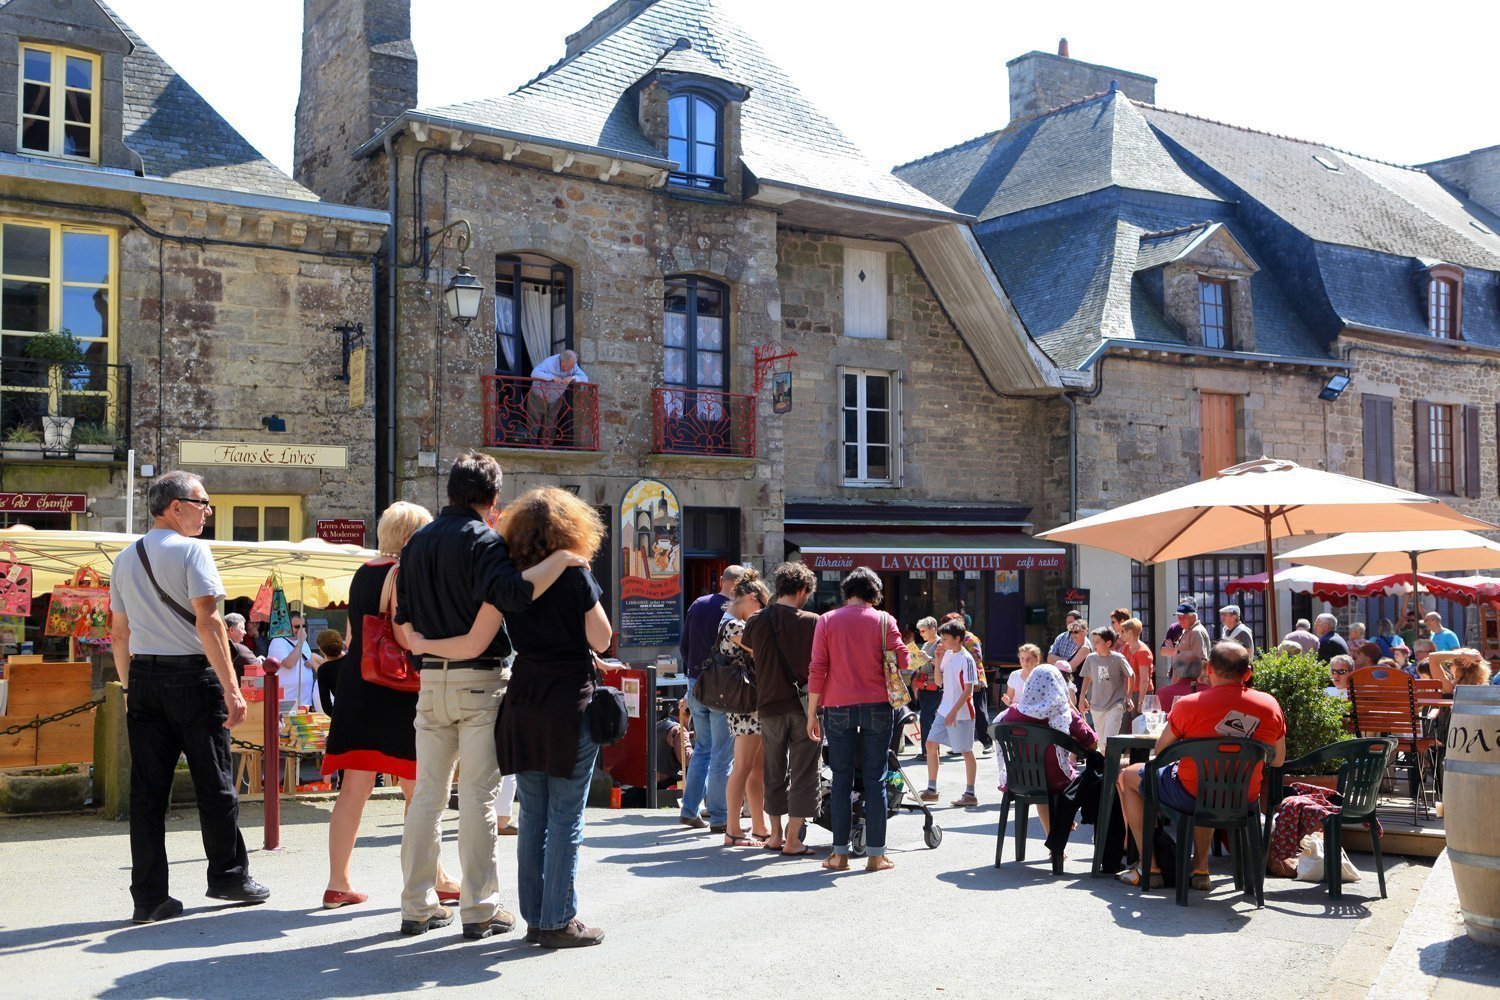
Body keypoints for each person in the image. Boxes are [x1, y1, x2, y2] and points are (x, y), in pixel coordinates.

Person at [394, 452, 581, 940]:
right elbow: (514, 595)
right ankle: (479, 909)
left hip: (430, 681)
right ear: (494, 498)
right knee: (477, 797)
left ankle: (417, 903)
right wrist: (561, 559)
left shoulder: (415, 544)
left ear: (450, 491)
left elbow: (402, 617)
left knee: (426, 798)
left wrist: (422, 644)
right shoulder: (485, 541)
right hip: (479, 679)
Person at [108, 471, 268, 923]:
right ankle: (227, 875)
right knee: (215, 781)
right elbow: (210, 622)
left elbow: (119, 633)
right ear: (174, 507)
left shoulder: (125, 557)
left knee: (147, 792)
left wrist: (126, 685)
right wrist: (232, 688)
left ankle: (149, 896)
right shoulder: (193, 549)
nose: (208, 511)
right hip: (190, 678)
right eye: (202, 502)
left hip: (143, 677)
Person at [318, 501, 465, 910]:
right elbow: (403, 636)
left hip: (358, 686)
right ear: (412, 537)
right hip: (396, 690)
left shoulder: (363, 572)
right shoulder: (404, 573)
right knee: (420, 791)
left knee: (353, 790)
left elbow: (357, 631)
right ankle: (431, 880)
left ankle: (337, 883)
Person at [1116, 642, 1286, 890]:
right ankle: (1200, 868)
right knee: (1208, 784)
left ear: (1210, 670)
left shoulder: (1188, 704)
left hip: (1190, 794)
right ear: (1247, 672)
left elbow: (1161, 752)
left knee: (1128, 776)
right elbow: (1278, 760)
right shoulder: (1270, 705)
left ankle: (1149, 866)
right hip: (1243, 797)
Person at [807, 567, 908, 873]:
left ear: (846, 591)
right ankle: (876, 855)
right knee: (875, 778)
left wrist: (812, 712)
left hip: (837, 706)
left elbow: (817, 668)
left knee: (841, 778)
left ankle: (839, 855)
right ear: (874, 593)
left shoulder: (827, 620)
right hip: (878, 704)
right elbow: (903, 659)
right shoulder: (883, 620)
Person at [742, 561, 820, 857]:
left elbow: (750, 650)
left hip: (769, 704)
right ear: (802, 590)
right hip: (804, 706)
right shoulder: (813, 621)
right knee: (804, 770)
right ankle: (793, 839)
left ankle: (774, 835)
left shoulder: (757, 620)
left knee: (774, 769)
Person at [678, 565, 748, 831]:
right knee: (721, 753)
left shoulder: (698, 604)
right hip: (722, 687)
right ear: (740, 587)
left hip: (696, 682)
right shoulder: (734, 613)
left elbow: (684, 646)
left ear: (722, 581)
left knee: (703, 749)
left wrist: (693, 673)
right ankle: (719, 817)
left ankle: (689, 808)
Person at [997, 664, 1097, 836]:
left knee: (1040, 780)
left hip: (1020, 779)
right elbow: (1092, 744)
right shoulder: (1063, 712)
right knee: (1083, 780)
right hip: (1056, 778)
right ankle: (1063, 822)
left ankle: (1053, 835)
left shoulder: (1012, 713)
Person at [718, 572, 772, 847]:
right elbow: (761, 650)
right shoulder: (734, 626)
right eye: (762, 605)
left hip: (751, 701)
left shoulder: (734, 622)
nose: (763, 612)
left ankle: (760, 826)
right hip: (744, 703)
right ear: (752, 599)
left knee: (756, 768)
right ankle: (733, 829)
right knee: (742, 767)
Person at [921, 620, 980, 807]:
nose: (942, 641)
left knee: (966, 751)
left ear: (957, 638)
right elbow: (939, 682)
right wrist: (938, 660)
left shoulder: (967, 659)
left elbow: (968, 690)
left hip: (961, 712)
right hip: (945, 709)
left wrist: (954, 712)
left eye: (945, 638)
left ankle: (970, 794)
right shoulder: (946, 654)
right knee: (930, 744)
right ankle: (931, 790)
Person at [941, 612, 991, 752]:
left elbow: (977, 657)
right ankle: (958, 743)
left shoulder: (969, 638)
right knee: (958, 711)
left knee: (979, 711)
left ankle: (987, 742)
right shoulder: (947, 639)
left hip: (976, 681)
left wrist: (960, 651)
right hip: (958, 680)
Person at [1079, 626, 1134, 741]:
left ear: (1108, 643)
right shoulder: (1091, 658)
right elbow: (1087, 677)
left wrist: (1128, 697)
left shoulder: (1118, 658)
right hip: (1096, 707)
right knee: (1102, 744)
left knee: (1110, 739)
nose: (1094, 645)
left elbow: (1131, 675)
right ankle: (1106, 759)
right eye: (1093, 642)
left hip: (1115, 705)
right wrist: (1082, 696)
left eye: (1098, 642)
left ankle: (1110, 758)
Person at [525, 349, 590, 446]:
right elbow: (534, 373)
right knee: (533, 424)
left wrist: (573, 378)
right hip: (537, 398)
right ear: (563, 362)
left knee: (550, 426)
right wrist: (551, 377)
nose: (572, 369)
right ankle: (530, 448)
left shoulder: (573, 366)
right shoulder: (550, 362)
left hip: (555, 401)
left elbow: (585, 378)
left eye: (573, 366)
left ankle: (546, 449)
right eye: (570, 366)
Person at [267, 613, 321, 712]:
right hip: (286, 701)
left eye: (303, 626)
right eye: (297, 627)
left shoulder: (304, 643)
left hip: (304, 702)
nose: (300, 630)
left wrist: (310, 662)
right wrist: (300, 642)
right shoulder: (278, 641)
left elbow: (305, 660)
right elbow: (289, 664)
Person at [1160, 602, 1211, 691]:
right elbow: (1163, 651)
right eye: (1179, 616)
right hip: (1182, 680)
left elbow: (1201, 660)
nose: (1180, 619)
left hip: (1190, 683)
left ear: (1194, 617)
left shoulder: (1196, 632)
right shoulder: (1187, 630)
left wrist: (1197, 685)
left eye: (1184, 616)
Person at [911, 617, 942, 747]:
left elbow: (943, 665)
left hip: (934, 685)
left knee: (926, 717)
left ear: (933, 629)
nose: (921, 633)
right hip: (924, 684)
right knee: (928, 717)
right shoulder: (926, 644)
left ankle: (928, 749)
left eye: (923, 631)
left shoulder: (940, 643)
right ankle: (931, 749)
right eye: (920, 631)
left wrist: (927, 658)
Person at [1118, 618, 1154, 727]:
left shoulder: (1143, 652)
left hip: (1141, 692)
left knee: (1139, 725)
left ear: (1130, 632)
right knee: (1124, 724)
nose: (1120, 634)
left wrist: (1141, 702)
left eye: (1123, 631)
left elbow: (1144, 680)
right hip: (1129, 690)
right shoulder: (1126, 647)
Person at [312, 629, 344, 714]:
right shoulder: (353, 660)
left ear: (321, 649)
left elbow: (326, 706)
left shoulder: (324, 670)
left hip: (342, 712)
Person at [223, 613, 261, 684]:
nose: (245, 632)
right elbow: (260, 669)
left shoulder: (216, 646)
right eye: (242, 628)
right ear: (231, 630)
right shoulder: (238, 648)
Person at [1048, 611, 1089, 675]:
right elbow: (1049, 658)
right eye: (1071, 632)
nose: (1073, 635)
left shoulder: (1085, 646)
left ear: (1085, 632)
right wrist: (1067, 661)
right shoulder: (1061, 637)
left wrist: (1058, 662)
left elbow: (1069, 668)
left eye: (1076, 632)